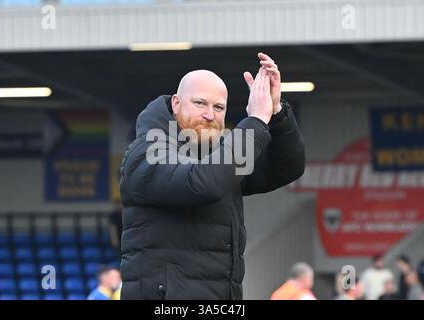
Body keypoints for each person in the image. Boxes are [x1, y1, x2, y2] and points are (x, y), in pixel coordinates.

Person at [119, 52, 305, 300]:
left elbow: (287, 167)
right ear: (176, 103)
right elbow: (201, 183)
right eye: (200, 103)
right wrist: (257, 121)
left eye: (218, 107)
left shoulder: (222, 155)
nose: (210, 115)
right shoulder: (148, 151)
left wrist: (277, 112)